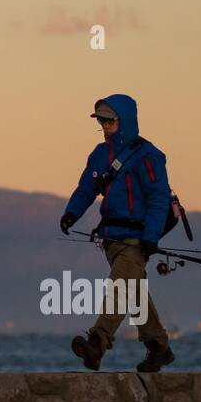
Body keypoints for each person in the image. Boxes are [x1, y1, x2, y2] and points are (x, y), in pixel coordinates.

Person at [60, 94, 175, 372]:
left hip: (137, 240)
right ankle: (159, 348)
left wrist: (151, 236)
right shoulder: (99, 155)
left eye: (108, 120)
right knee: (133, 292)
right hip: (110, 239)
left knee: (119, 289)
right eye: (100, 120)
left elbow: (160, 198)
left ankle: (97, 344)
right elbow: (87, 187)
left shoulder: (148, 155)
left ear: (123, 120)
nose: (103, 125)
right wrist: (71, 213)